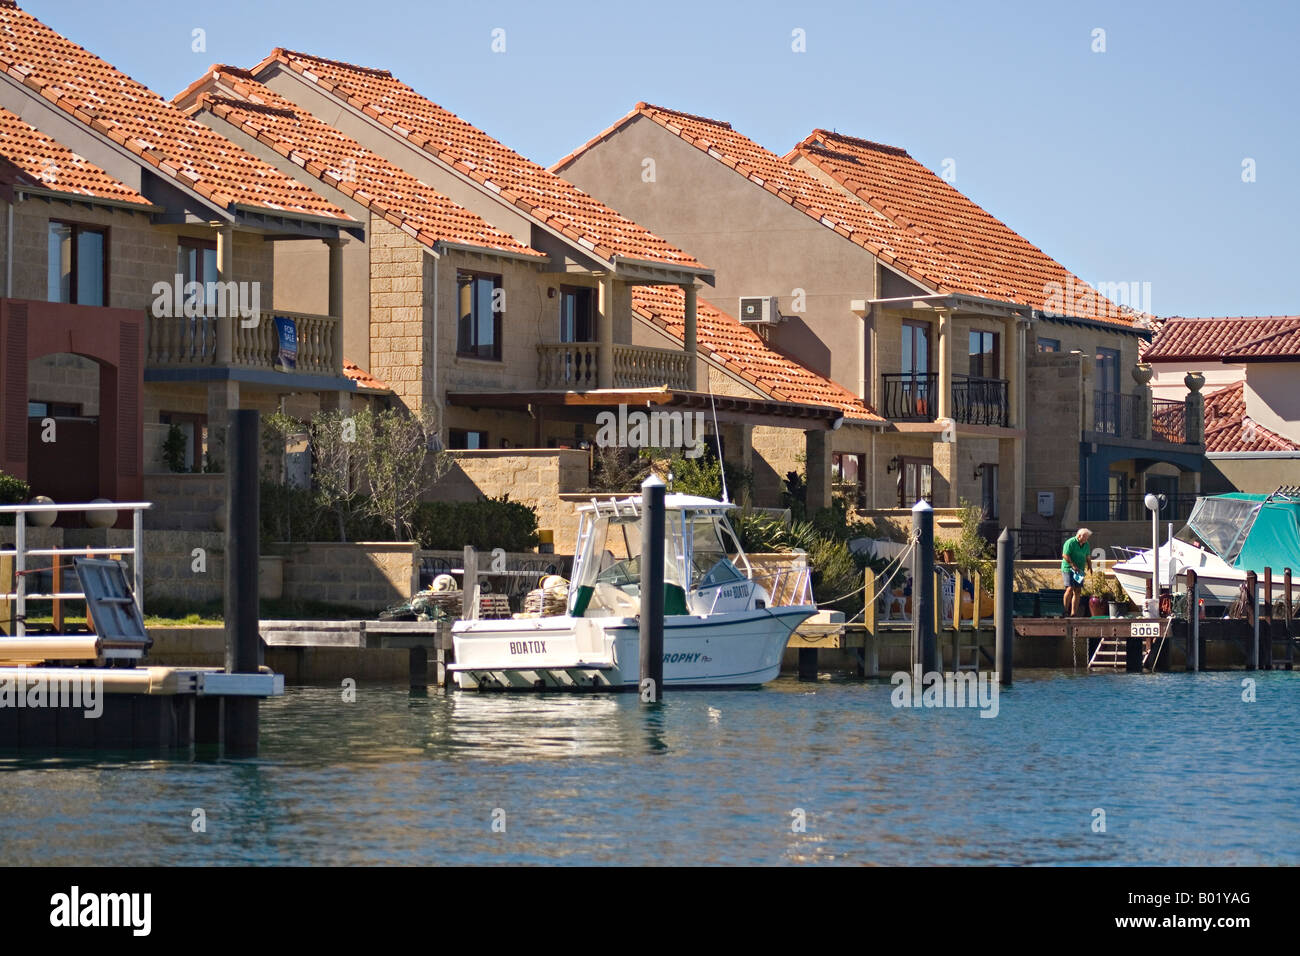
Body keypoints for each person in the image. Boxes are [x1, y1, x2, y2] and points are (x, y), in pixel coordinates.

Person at [1061, 528, 1093, 617]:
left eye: (1087, 537)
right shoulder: (1070, 542)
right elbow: (1065, 555)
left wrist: (1090, 566)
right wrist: (1072, 565)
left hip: (1080, 570)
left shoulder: (1086, 544)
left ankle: (1073, 613)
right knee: (1070, 588)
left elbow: (1087, 556)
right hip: (1068, 568)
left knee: (1078, 590)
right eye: (1085, 537)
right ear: (1079, 536)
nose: (1086, 539)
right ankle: (1065, 611)